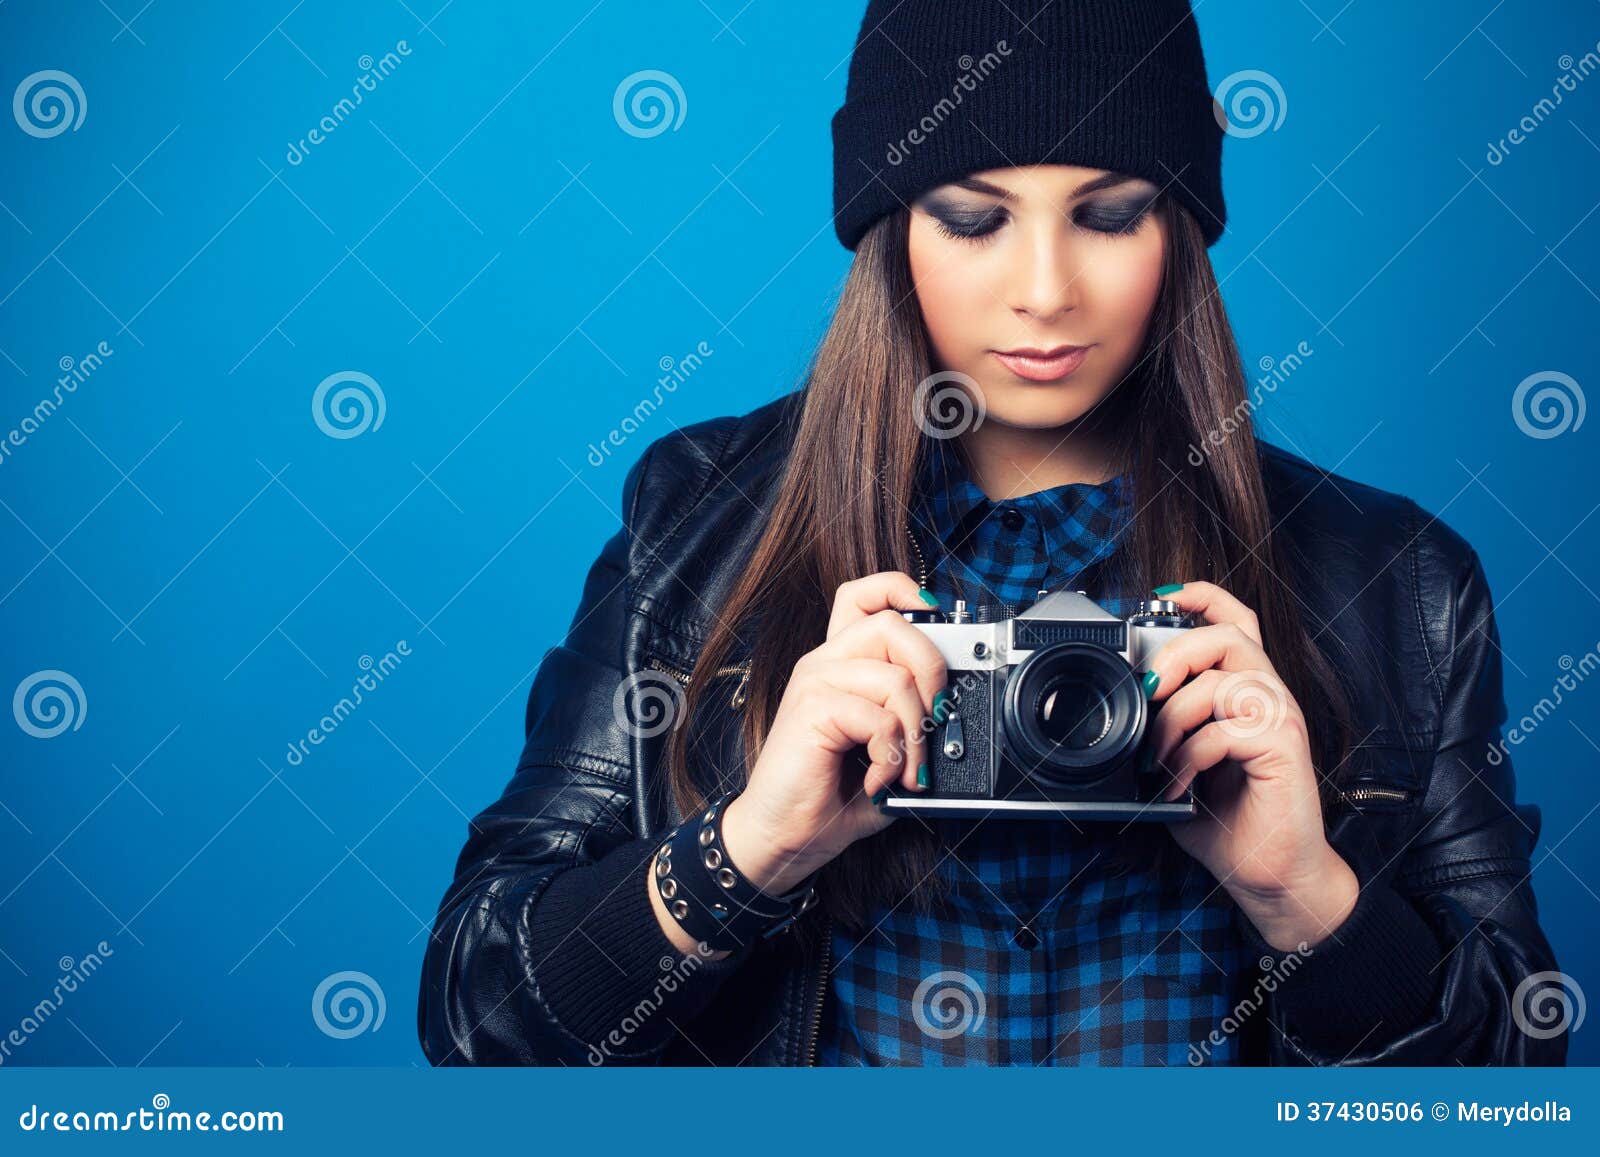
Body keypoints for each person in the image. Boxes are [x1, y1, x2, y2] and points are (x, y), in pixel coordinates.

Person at [417, 0, 1565, 1066]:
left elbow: (1521, 1078)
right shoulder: (696, 518)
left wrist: (1305, 897)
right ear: (889, 234)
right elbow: (476, 1013)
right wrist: (747, 848)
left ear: (1181, 226)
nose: (1044, 288)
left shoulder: (1394, 582)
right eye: (972, 219)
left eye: (1110, 214)